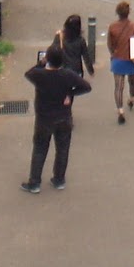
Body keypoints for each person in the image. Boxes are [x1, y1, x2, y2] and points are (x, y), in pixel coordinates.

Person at [21, 44, 92, 194]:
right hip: (64, 117)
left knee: (40, 148)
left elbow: (28, 73)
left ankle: (34, 182)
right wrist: (71, 93)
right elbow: (86, 87)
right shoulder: (68, 74)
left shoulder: (39, 75)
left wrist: (40, 63)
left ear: (47, 59)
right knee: (62, 149)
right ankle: (59, 179)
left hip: (44, 118)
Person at [106, 1, 134, 124]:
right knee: (132, 82)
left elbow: (109, 45)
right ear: (129, 13)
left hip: (118, 59)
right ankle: (132, 99)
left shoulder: (112, 27)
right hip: (132, 59)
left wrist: (113, 53)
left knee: (118, 86)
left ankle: (120, 110)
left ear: (117, 13)